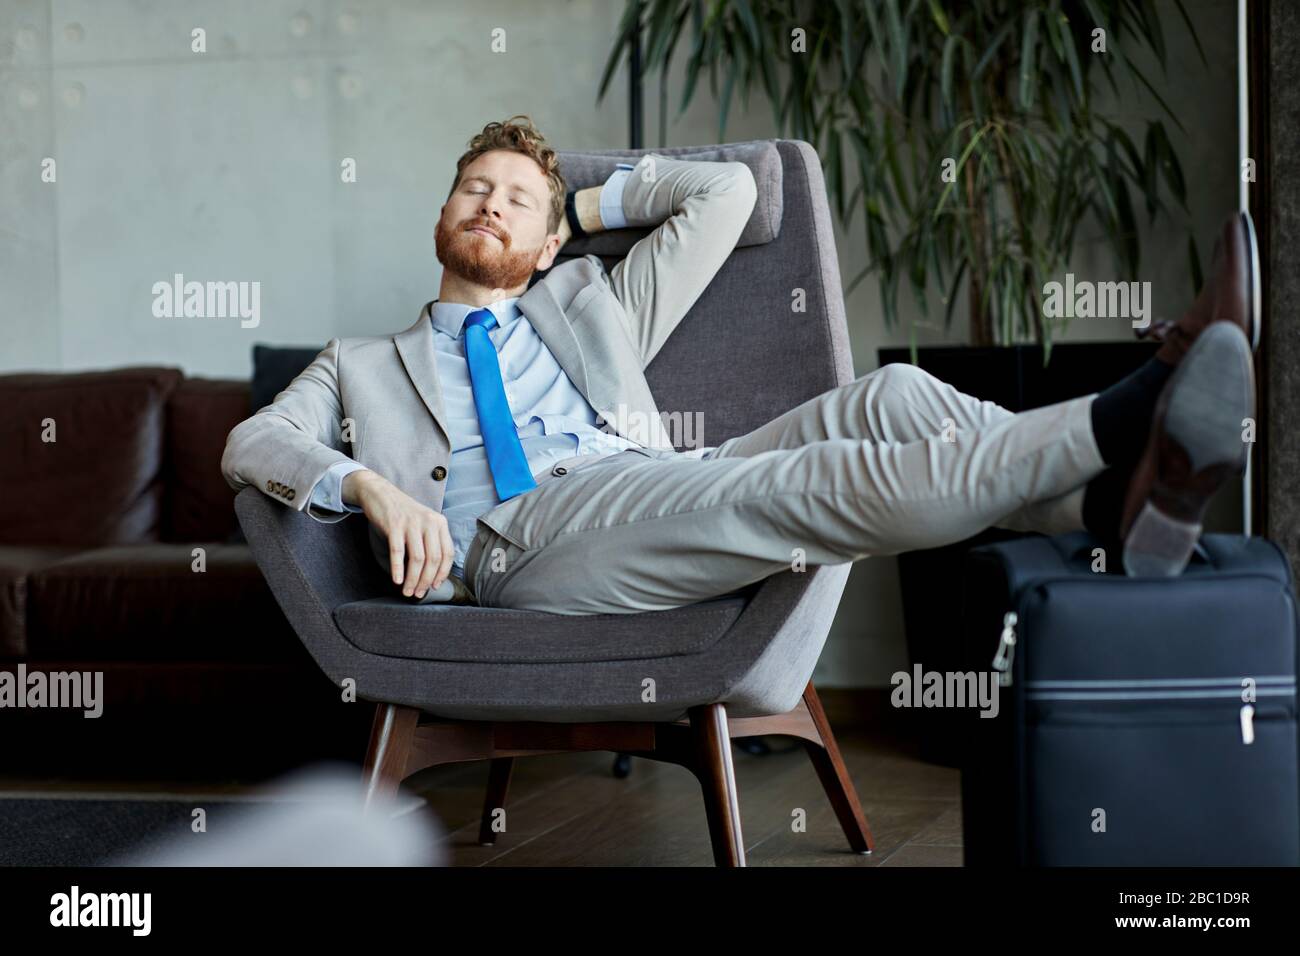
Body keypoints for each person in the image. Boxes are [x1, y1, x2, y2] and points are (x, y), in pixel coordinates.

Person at [221, 115, 1259, 616]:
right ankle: (1129, 416)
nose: (489, 202)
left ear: (546, 245)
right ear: (440, 215)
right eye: (472, 189)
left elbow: (731, 194)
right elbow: (251, 439)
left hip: (652, 481)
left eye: (515, 198)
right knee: (797, 484)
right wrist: (366, 485)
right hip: (512, 544)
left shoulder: (593, 302)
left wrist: (578, 207)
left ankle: (1098, 513)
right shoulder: (359, 362)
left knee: (893, 394)